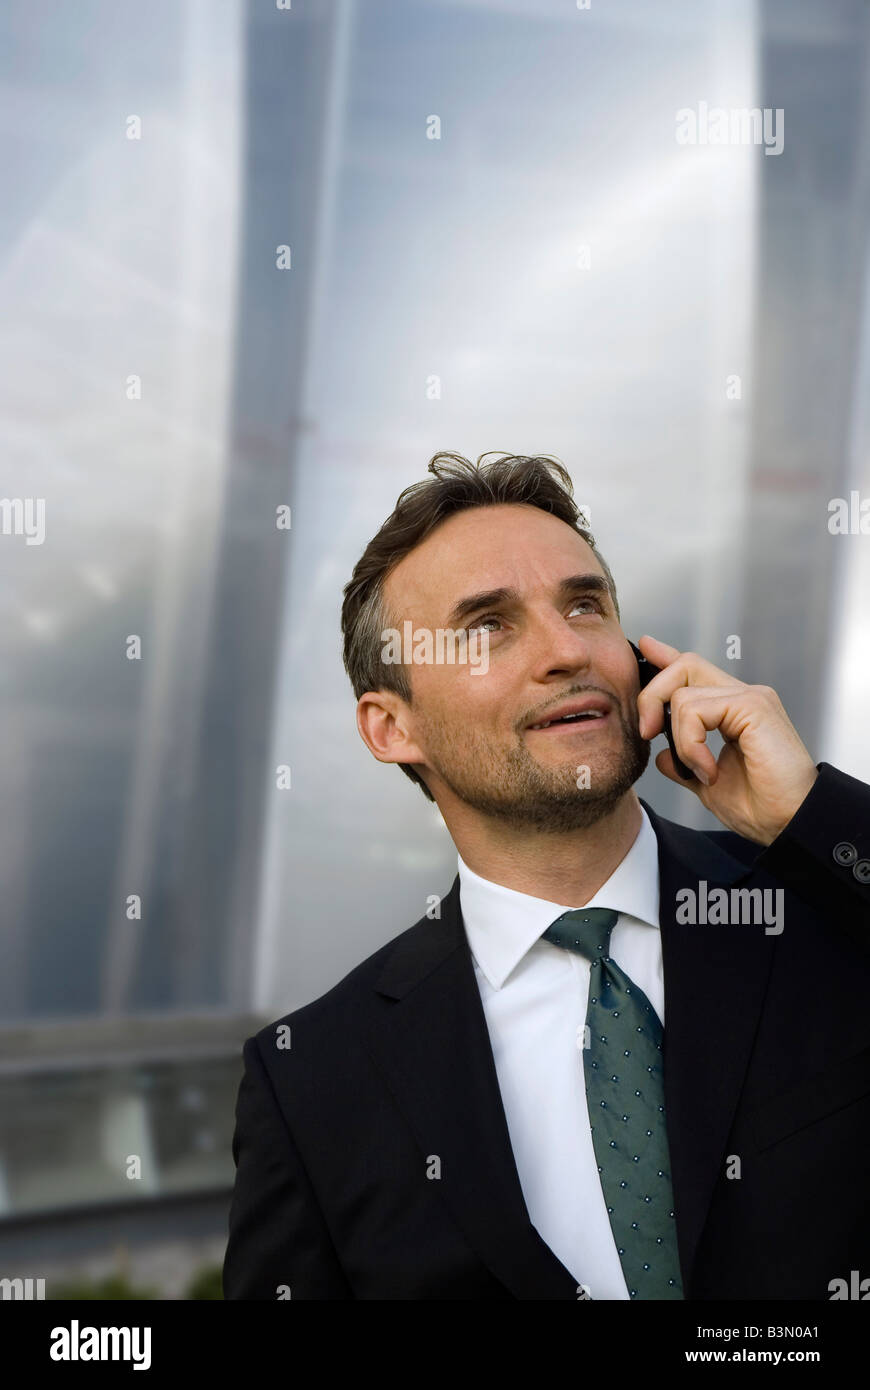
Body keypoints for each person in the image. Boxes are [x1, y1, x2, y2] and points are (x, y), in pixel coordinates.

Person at [223, 452, 870, 1300]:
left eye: (584, 604)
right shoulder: (312, 1081)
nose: (567, 649)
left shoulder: (824, 904)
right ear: (390, 728)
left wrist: (815, 816)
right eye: (488, 625)